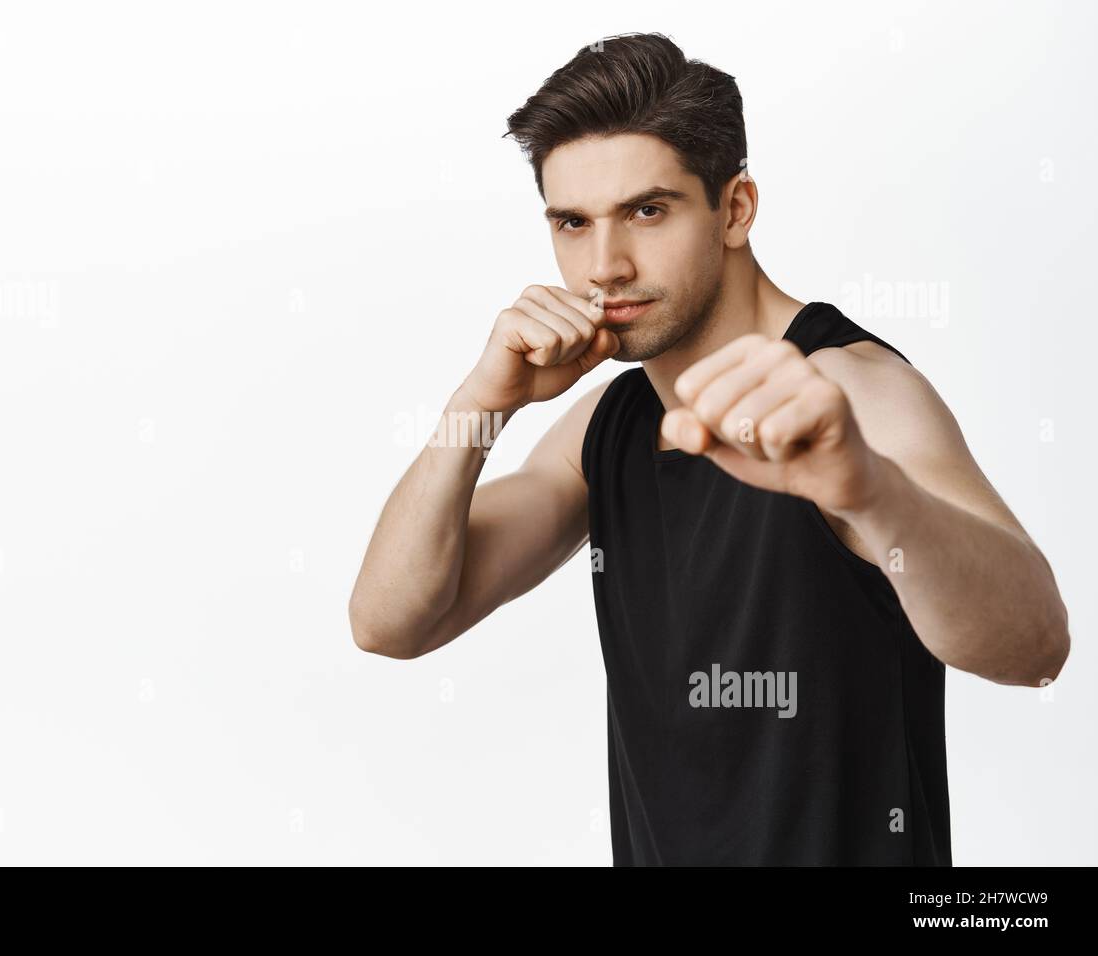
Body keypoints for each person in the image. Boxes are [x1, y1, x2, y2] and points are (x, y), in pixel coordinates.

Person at [348, 32, 1069, 865]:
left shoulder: (853, 391)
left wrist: (869, 491)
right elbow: (390, 621)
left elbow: (1037, 648)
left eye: (646, 211)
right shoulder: (605, 427)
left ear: (735, 209)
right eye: (573, 223)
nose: (604, 266)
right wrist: (478, 406)